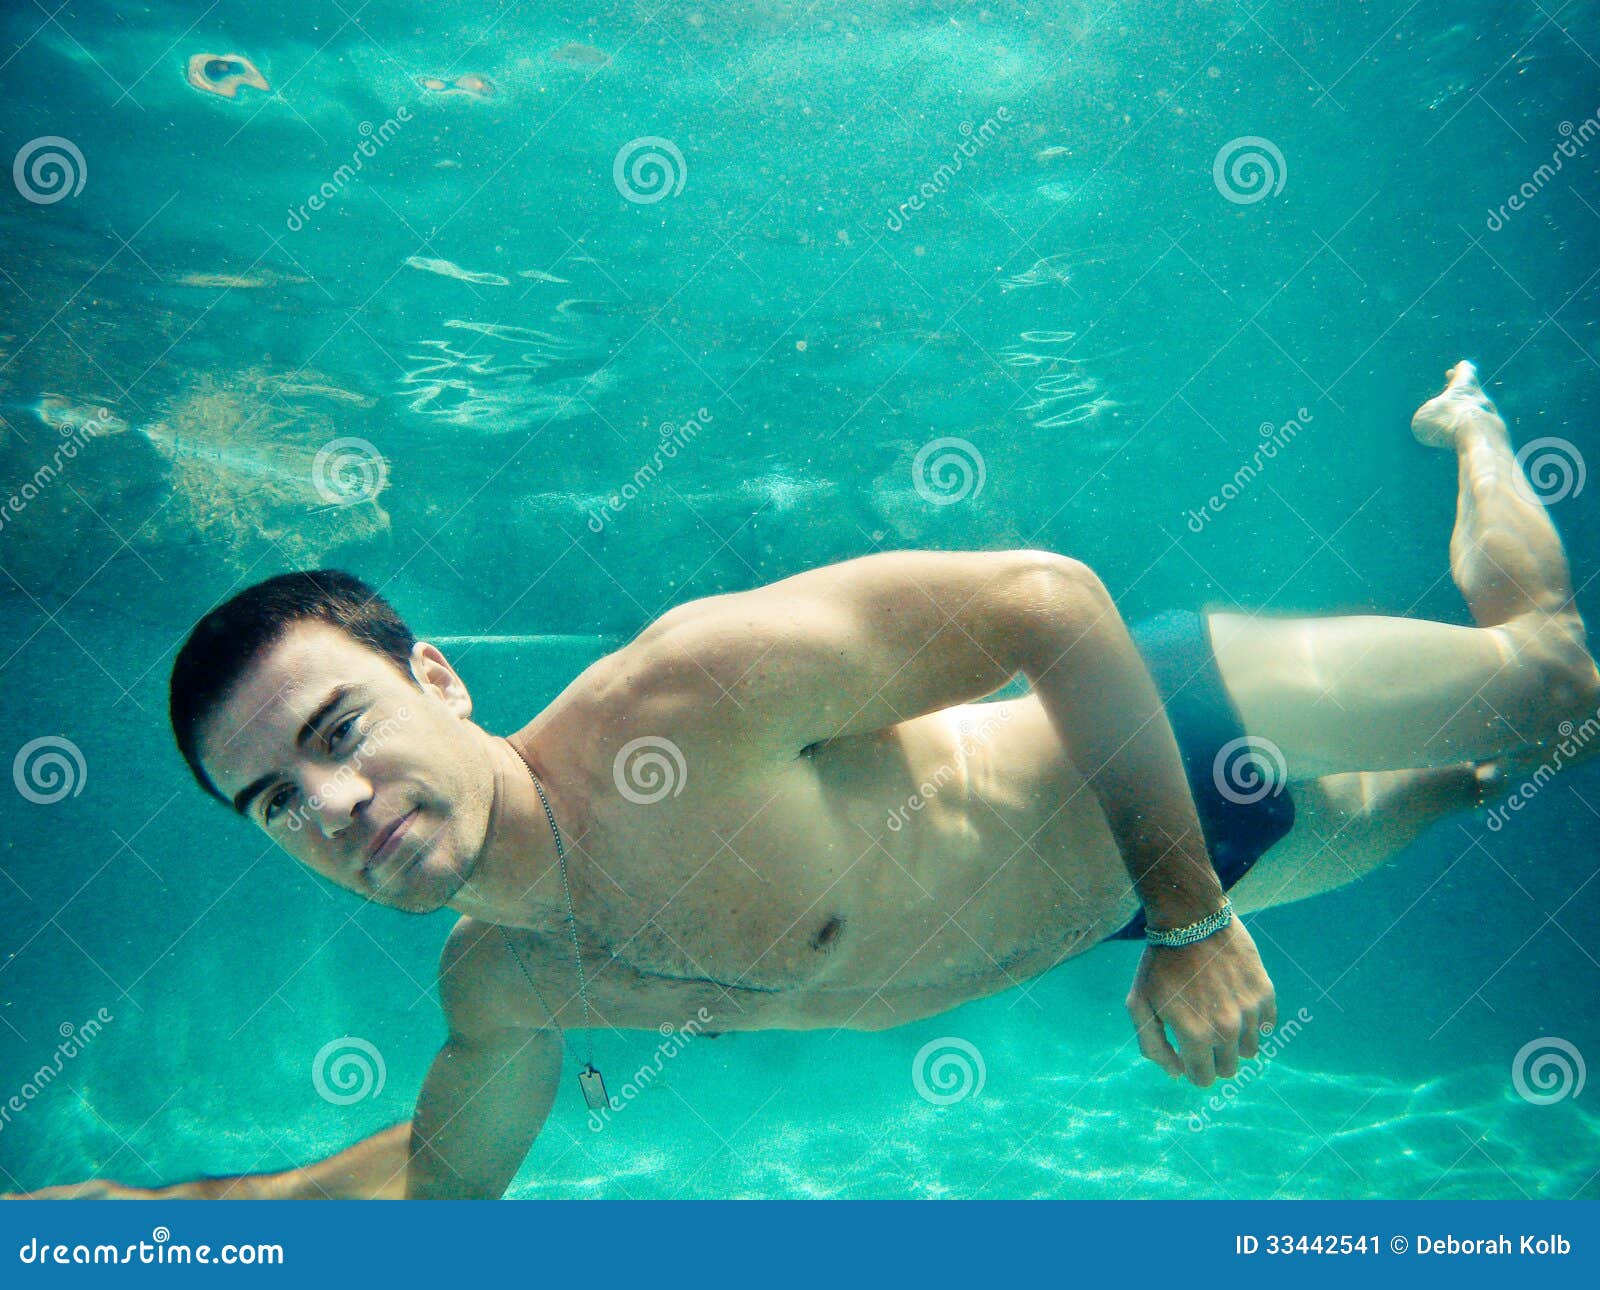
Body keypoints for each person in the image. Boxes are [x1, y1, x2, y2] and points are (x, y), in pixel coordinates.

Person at [11, 362, 1596, 1200]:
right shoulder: (505, 983)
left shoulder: (677, 703)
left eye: (337, 732)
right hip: (1130, 912)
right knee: (1454, 791)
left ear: (435, 678)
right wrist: (161, 1216)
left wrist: (1194, 915)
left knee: (1555, 693)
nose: (333, 805)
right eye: (276, 801)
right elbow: (443, 1180)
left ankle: (1468, 427)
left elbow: (1048, 598)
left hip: (1167, 732)